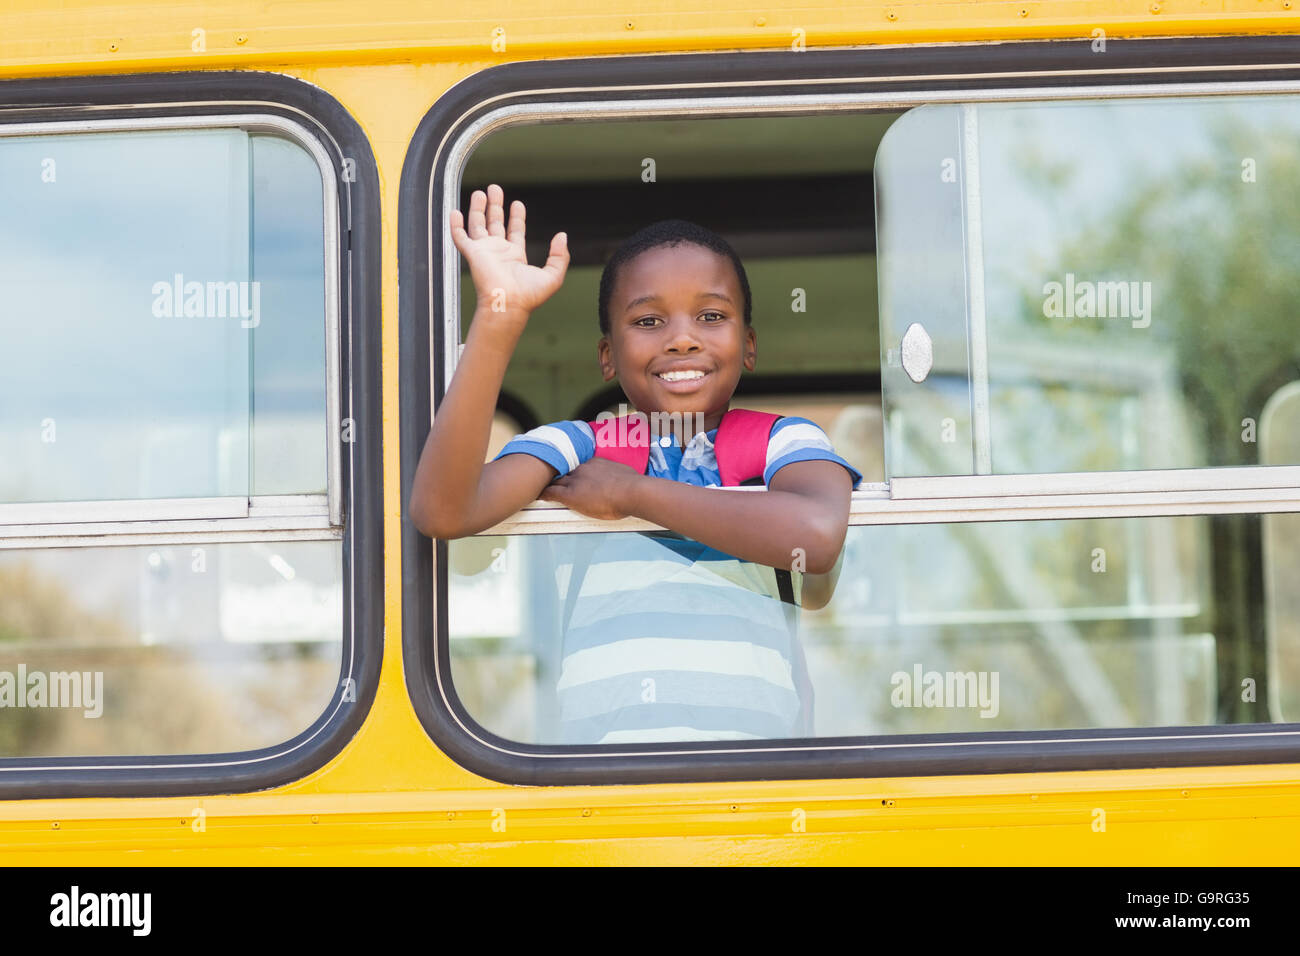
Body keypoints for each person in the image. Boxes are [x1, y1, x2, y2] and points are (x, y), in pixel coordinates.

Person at [409, 184, 861, 743]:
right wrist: (500, 318)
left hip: (756, 773)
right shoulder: (581, 445)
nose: (681, 340)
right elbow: (444, 512)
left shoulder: (779, 441)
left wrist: (634, 496)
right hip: (605, 773)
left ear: (749, 345)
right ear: (607, 356)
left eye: (711, 316)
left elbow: (817, 536)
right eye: (648, 322)